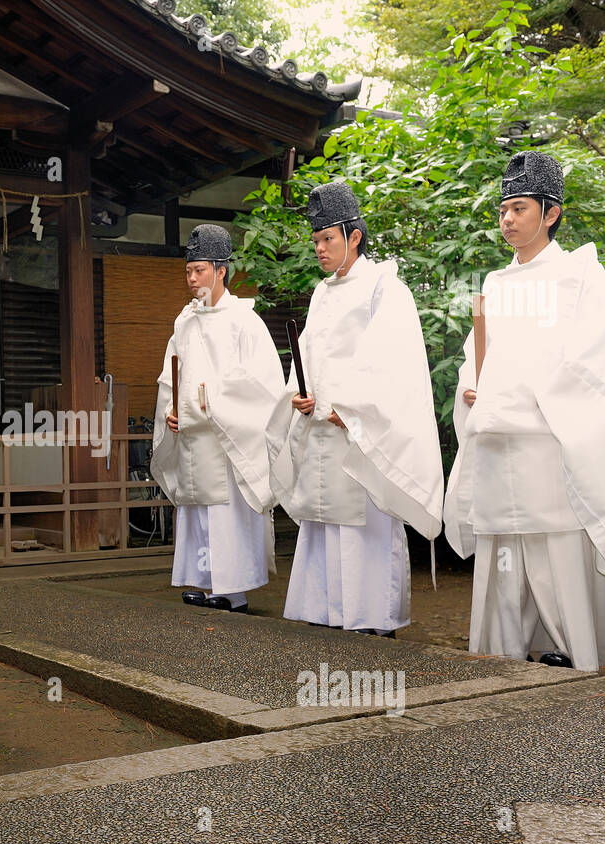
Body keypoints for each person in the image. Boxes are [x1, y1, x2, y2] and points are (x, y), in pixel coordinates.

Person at [444, 151, 605, 671]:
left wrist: (522, 392)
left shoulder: (578, 278)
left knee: (556, 551)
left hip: (545, 441)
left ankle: (575, 647)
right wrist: (471, 387)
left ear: (551, 213)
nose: (508, 219)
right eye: (504, 209)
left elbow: (596, 363)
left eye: (520, 208)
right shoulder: (496, 285)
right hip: (498, 440)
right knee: (505, 550)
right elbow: (476, 355)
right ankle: (502, 649)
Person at [268, 181, 444, 636]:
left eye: (328, 238)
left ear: (354, 236)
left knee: (364, 522)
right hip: (321, 427)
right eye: (316, 240)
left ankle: (371, 616)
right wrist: (299, 395)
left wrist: (357, 409)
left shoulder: (385, 288)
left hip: (359, 431)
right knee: (323, 518)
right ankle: (325, 609)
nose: (320, 249)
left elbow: (393, 360)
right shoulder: (322, 293)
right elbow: (306, 353)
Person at [151, 225, 285, 613]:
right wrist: (171, 410)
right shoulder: (185, 321)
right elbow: (169, 375)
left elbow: (261, 383)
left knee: (226, 513)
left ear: (221, 271)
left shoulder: (244, 320)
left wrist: (210, 403)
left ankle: (234, 589)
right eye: (188, 271)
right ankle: (207, 581)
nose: (192, 279)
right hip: (192, 434)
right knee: (198, 509)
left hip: (227, 435)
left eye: (200, 271)